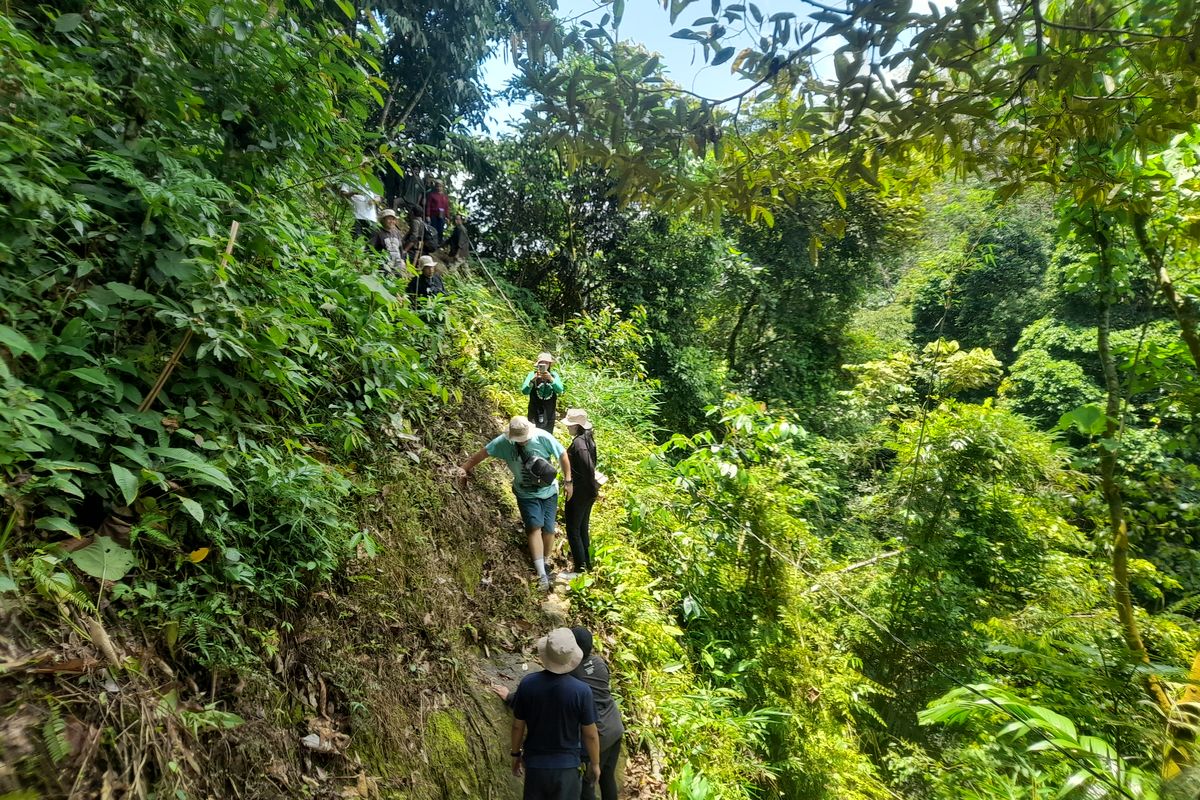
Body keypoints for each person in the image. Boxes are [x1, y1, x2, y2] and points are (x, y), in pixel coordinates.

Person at [491, 626, 624, 800]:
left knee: (586, 786)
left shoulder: (573, 679)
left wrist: (510, 697)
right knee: (607, 779)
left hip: (597, 734)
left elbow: (543, 692)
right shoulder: (599, 663)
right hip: (615, 726)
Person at [457, 416, 573, 591]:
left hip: (549, 491)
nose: (523, 441)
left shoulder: (542, 437)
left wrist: (568, 481)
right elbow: (483, 453)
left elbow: (562, 453)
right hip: (525, 493)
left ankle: (546, 561)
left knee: (548, 528)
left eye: (525, 438)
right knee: (534, 527)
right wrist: (464, 468)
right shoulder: (502, 443)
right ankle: (541, 573)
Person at [561, 409, 600, 575]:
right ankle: (586, 565)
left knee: (573, 528)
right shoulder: (588, 440)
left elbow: (587, 467)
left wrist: (570, 483)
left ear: (577, 426)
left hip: (580, 490)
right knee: (582, 527)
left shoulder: (579, 444)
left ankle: (579, 569)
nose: (567, 427)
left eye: (570, 425)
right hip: (589, 490)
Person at [522, 353, 565, 433]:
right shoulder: (532, 374)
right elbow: (524, 391)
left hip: (549, 411)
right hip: (534, 410)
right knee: (532, 433)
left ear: (550, 364)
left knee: (547, 434)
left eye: (547, 363)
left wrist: (551, 379)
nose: (544, 364)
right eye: (542, 362)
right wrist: (533, 380)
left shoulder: (554, 375)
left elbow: (560, 390)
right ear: (538, 364)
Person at [371, 209, 404, 273]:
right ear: (383, 220)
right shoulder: (377, 232)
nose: (391, 221)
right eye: (389, 219)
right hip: (384, 266)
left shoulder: (397, 233)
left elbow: (400, 248)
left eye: (393, 219)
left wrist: (402, 260)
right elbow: (370, 248)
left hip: (397, 266)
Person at [425, 180, 450, 247]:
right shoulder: (432, 195)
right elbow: (428, 205)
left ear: (442, 187)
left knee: (440, 229)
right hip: (433, 215)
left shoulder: (445, 197)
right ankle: (433, 242)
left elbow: (446, 207)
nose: (438, 188)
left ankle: (439, 243)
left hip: (442, 215)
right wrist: (427, 215)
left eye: (440, 186)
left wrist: (447, 217)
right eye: (437, 186)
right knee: (434, 229)